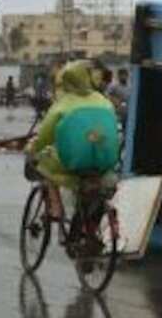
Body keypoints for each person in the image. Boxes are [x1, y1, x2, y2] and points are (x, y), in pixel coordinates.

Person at [25, 61, 120, 220]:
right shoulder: (105, 101)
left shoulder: (63, 104)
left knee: (44, 166)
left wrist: (33, 147)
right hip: (105, 161)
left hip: (74, 162)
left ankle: (56, 209)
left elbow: (45, 137)